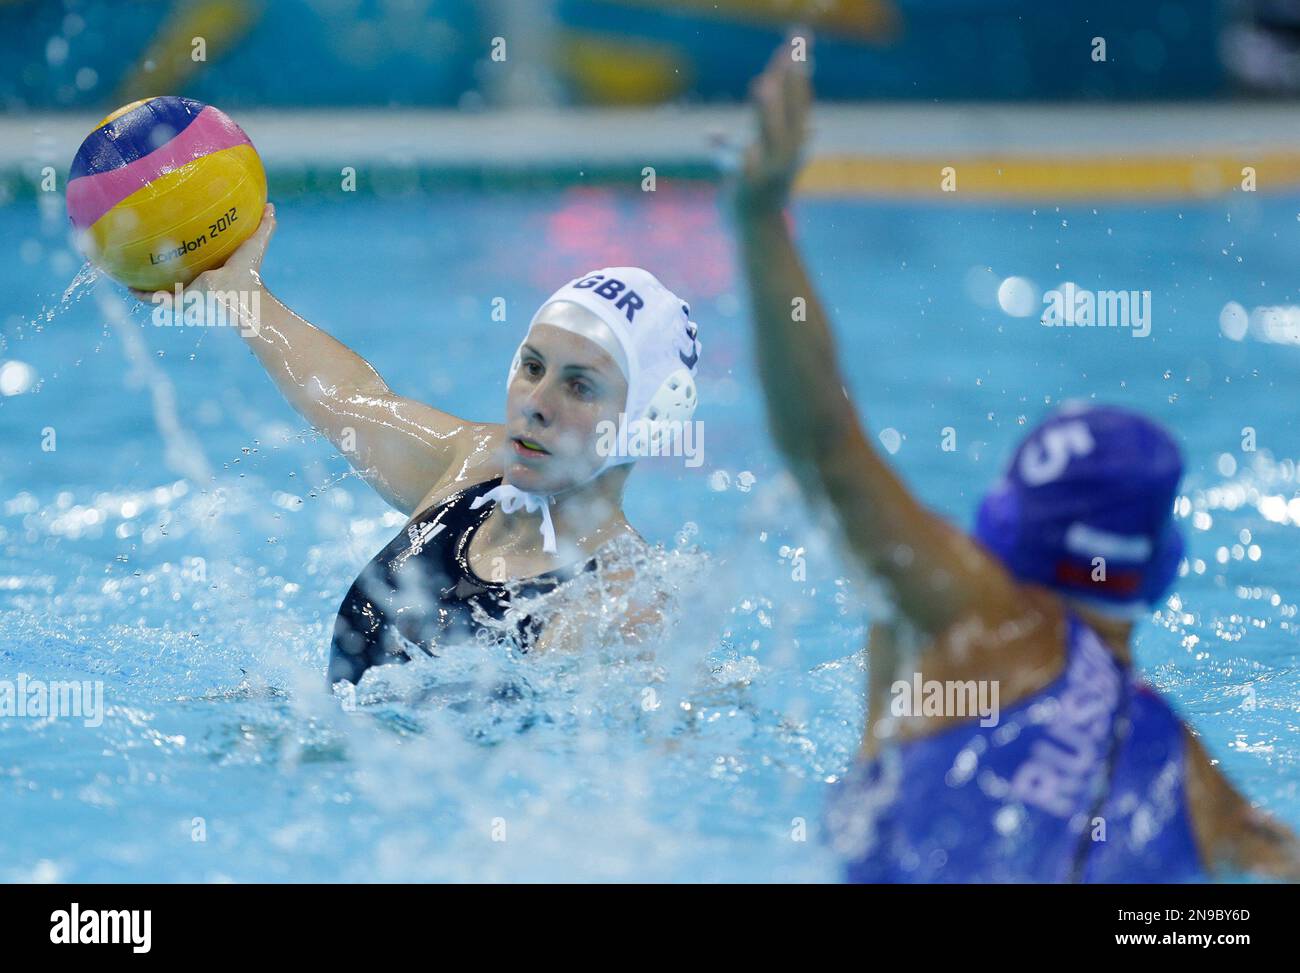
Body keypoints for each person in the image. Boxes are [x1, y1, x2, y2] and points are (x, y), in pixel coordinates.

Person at [730, 43, 1300, 881]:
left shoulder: (977, 619)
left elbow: (825, 446)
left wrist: (759, 218)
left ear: (1001, 536)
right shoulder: (1198, 785)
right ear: (1157, 569)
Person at [151, 204, 701, 688]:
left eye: (579, 386)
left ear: (650, 419)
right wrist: (241, 293)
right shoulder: (471, 467)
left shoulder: (621, 611)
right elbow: (349, 398)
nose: (536, 402)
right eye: (531, 367)